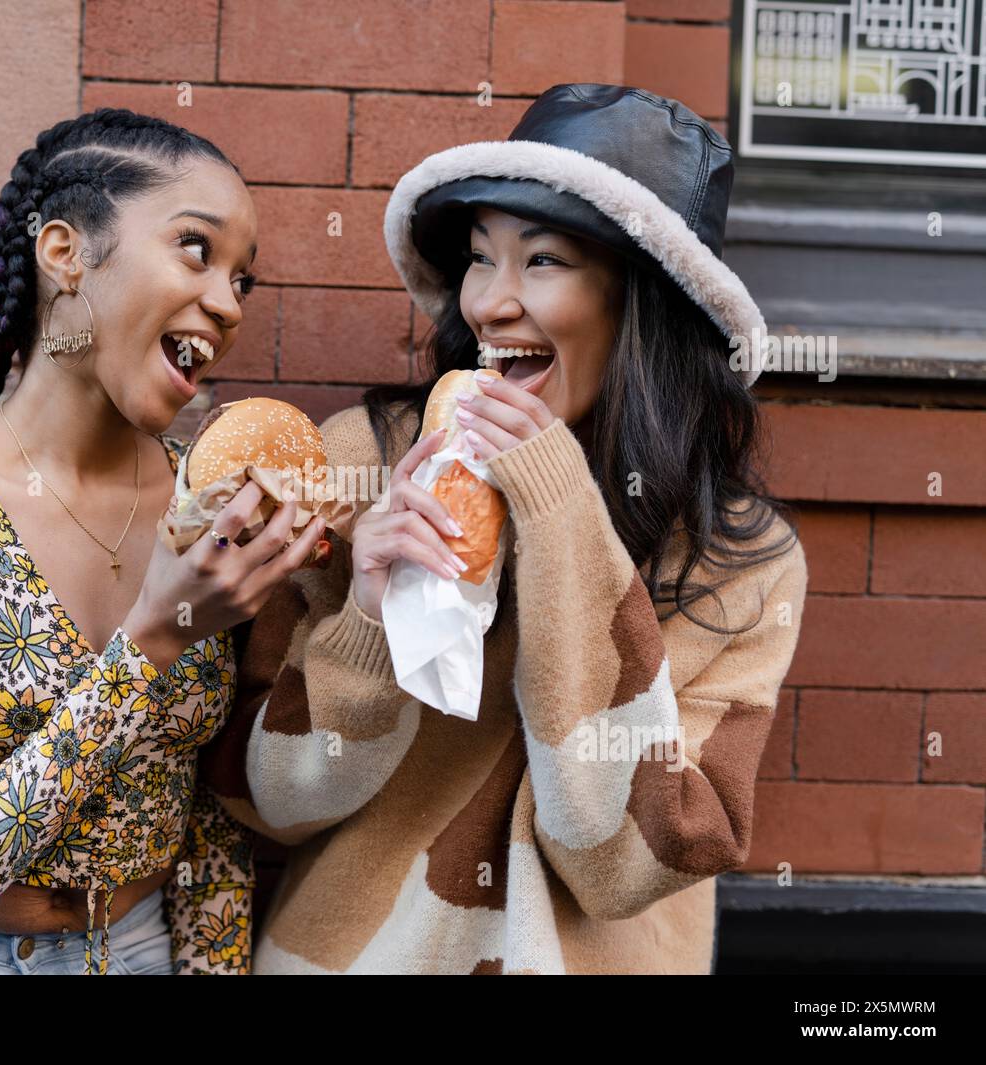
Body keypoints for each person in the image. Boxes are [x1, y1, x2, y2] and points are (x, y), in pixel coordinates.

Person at [203, 84, 809, 974]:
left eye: (544, 262)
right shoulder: (367, 462)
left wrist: (560, 507)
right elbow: (265, 802)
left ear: (640, 304)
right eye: (482, 259)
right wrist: (370, 624)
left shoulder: (738, 558)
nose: (491, 303)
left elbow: (628, 865)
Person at [0, 107, 325, 975]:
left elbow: (210, 810)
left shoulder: (215, 499)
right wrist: (153, 642)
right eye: (197, 249)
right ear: (64, 251)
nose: (228, 304)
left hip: (134, 948)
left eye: (244, 280)